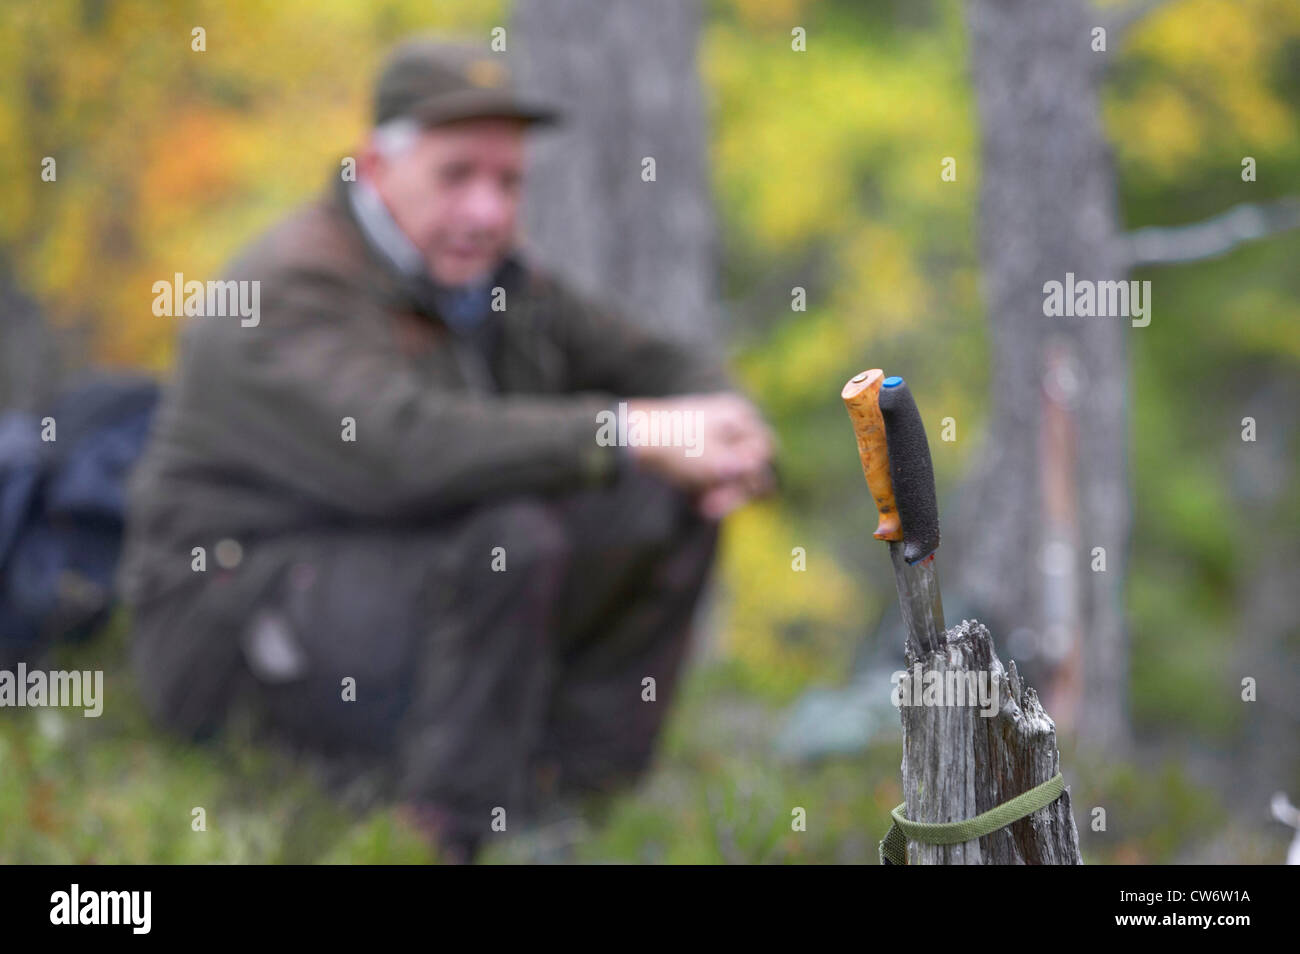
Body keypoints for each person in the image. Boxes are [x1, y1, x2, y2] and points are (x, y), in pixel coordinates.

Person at [118, 37, 776, 862]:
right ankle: (449, 831)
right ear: (374, 167)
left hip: (382, 575)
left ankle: (569, 798)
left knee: (656, 501)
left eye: (508, 182)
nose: (489, 211)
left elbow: (656, 362)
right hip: (237, 620)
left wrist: (731, 427)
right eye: (457, 175)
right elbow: (397, 450)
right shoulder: (290, 286)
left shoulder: (488, 275)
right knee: (510, 539)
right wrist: (628, 431)